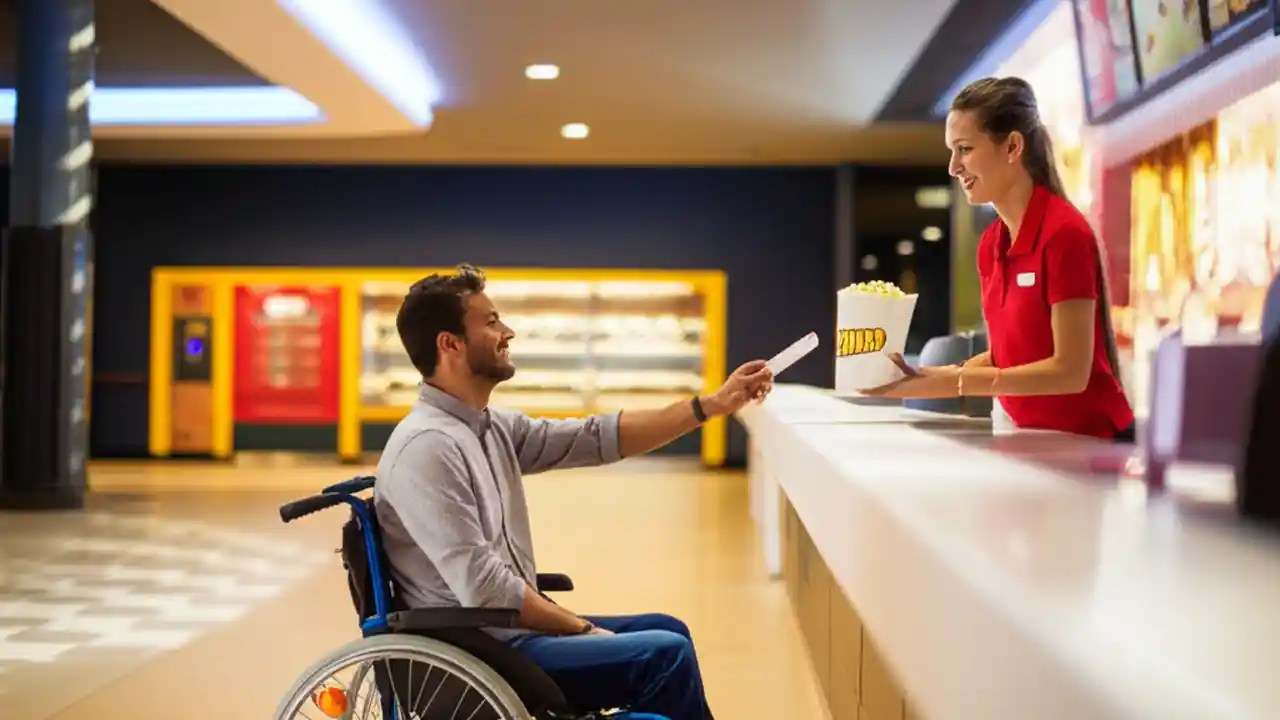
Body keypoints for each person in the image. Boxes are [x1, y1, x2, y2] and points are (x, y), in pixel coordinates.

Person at [373, 264, 773, 720]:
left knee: (668, 630)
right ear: (450, 344)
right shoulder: (428, 447)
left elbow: (596, 437)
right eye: (491, 322)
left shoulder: (488, 427)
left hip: (507, 633)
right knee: (665, 655)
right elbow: (483, 587)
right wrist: (580, 628)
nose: (509, 331)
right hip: (481, 653)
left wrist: (712, 405)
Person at [863, 76, 1134, 441]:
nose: (953, 167)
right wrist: (909, 381)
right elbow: (1005, 356)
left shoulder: (1063, 234)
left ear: (1012, 146)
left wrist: (961, 381)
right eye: (952, 151)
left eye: (964, 149)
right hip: (1037, 440)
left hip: (1090, 442)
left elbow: (1071, 371)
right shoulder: (991, 244)